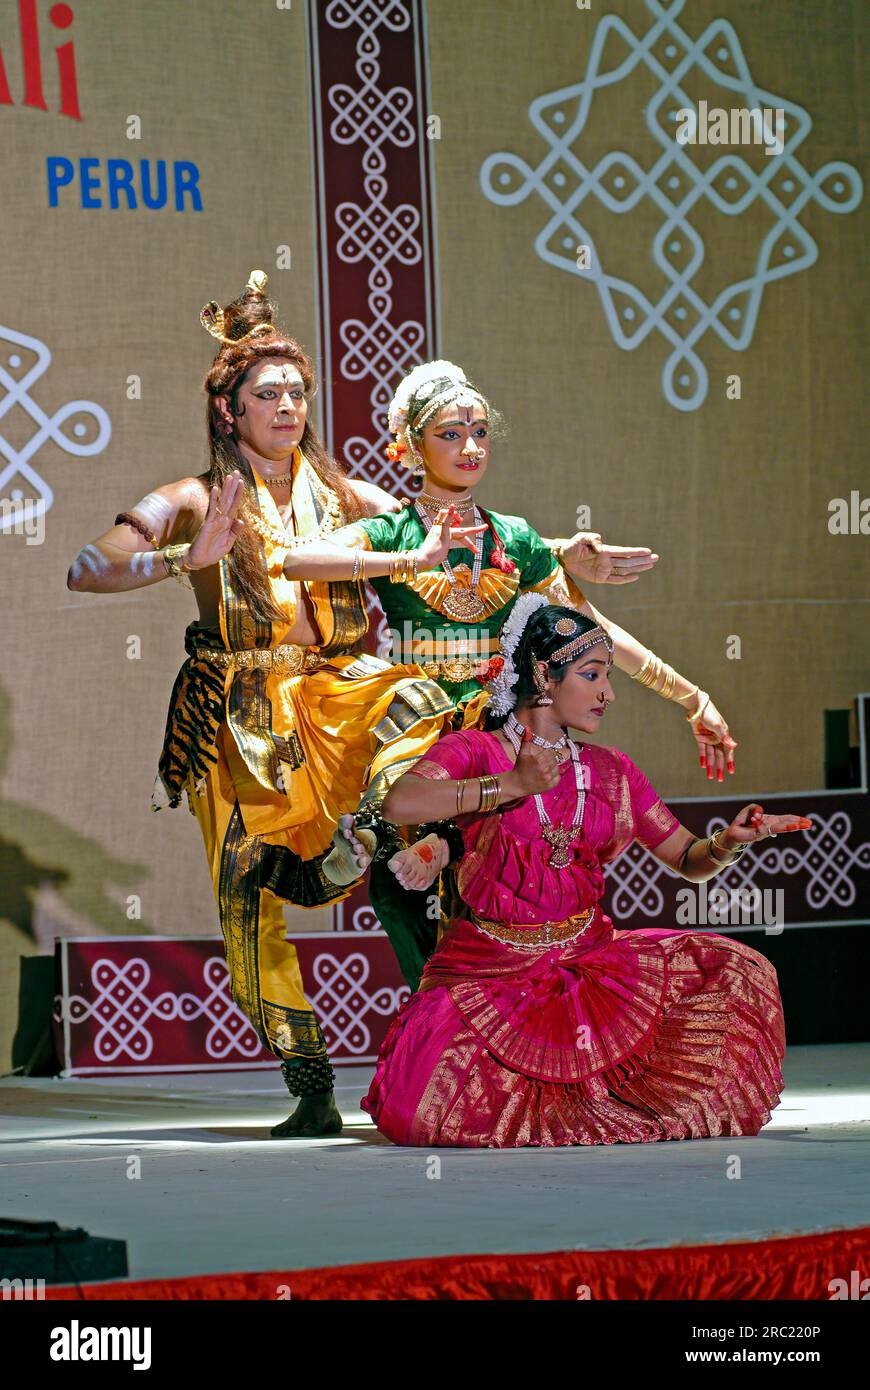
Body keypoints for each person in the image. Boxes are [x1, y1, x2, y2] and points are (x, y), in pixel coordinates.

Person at [66, 271, 482, 1137]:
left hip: (335, 690)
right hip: (239, 714)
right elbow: (86, 567)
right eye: (269, 393)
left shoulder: (353, 499)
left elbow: (477, 541)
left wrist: (563, 553)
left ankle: (379, 844)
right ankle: (311, 1080)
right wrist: (183, 559)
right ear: (230, 410)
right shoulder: (189, 498)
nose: (289, 405)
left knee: (414, 697)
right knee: (249, 895)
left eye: (298, 391)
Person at [259, 359, 738, 987]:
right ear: (410, 446)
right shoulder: (393, 530)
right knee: (400, 889)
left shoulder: (516, 538)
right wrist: (408, 559)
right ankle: (439, 1027)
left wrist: (691, 696)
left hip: (502, 734)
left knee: (503, 894)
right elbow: (292, 560)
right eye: (450, 435)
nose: (470, 447)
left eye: (480, 432)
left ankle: (509, 1043)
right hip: (419, 736)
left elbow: (593, 630)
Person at [359, 599, 809, 1148]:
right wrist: (509, 787)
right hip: (490, 971)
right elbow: (401, 802)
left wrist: (730, 842)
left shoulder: (610, 770)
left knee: (737, 971)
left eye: (609, 678)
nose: (608, 694)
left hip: (588, 963)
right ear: (545, 675)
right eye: (592, 676)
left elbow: (688, 858)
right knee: (421, 1111)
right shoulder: (474, 750)